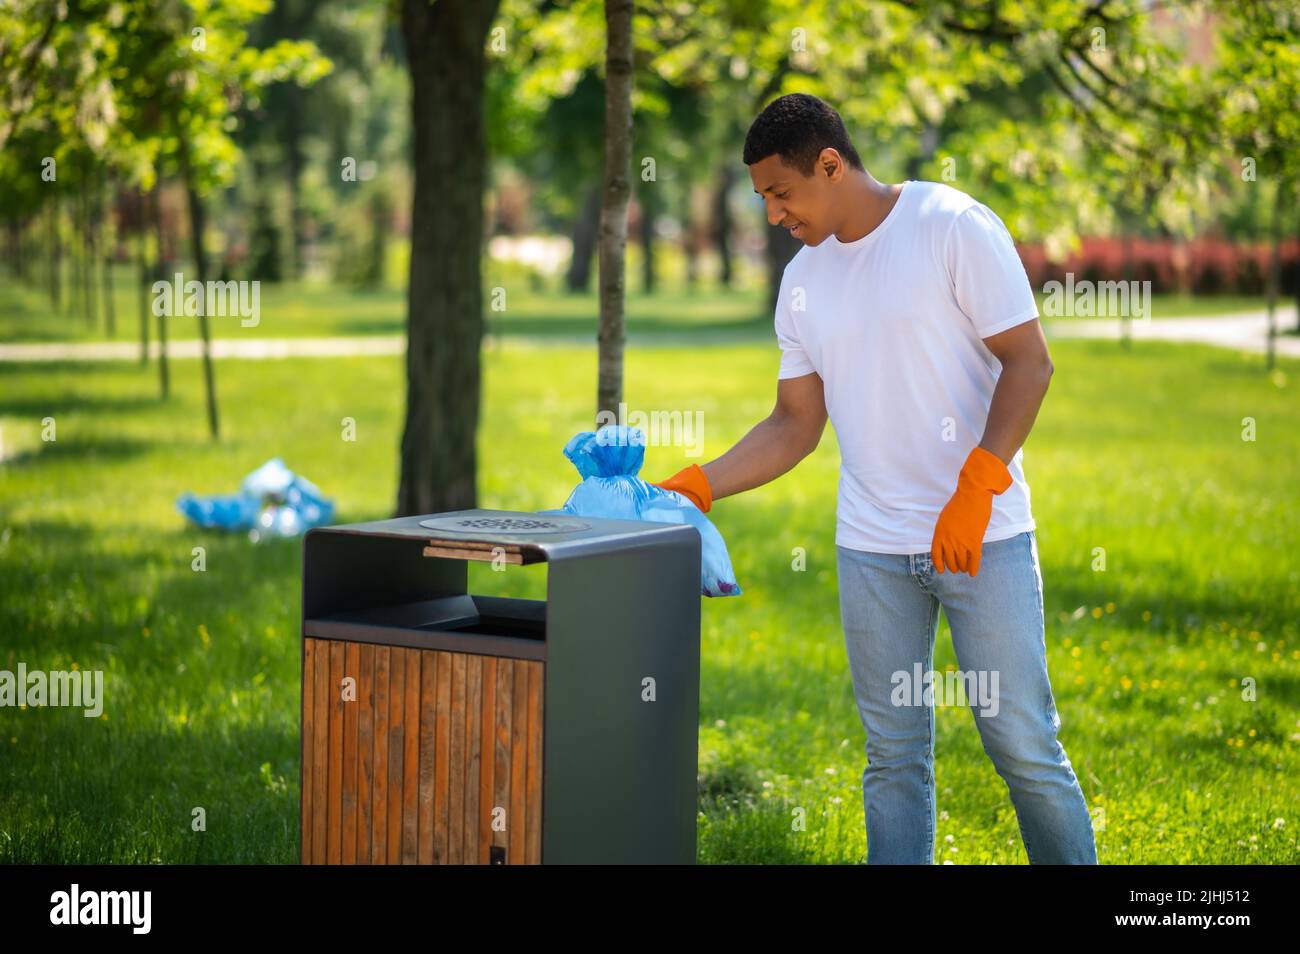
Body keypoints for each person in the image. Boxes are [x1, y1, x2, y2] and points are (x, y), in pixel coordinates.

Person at [652, 92, 1097, 865]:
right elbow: (795, 424)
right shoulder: (802, 282)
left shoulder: (951, 227)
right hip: (872, 549)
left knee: (1023, 746)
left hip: (981, 539)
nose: (771, 215)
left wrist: (977, 483)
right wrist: (697, 485)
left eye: (780, 193)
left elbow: (1030, 363)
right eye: (761, 198)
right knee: (892, 759)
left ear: (830, 164)